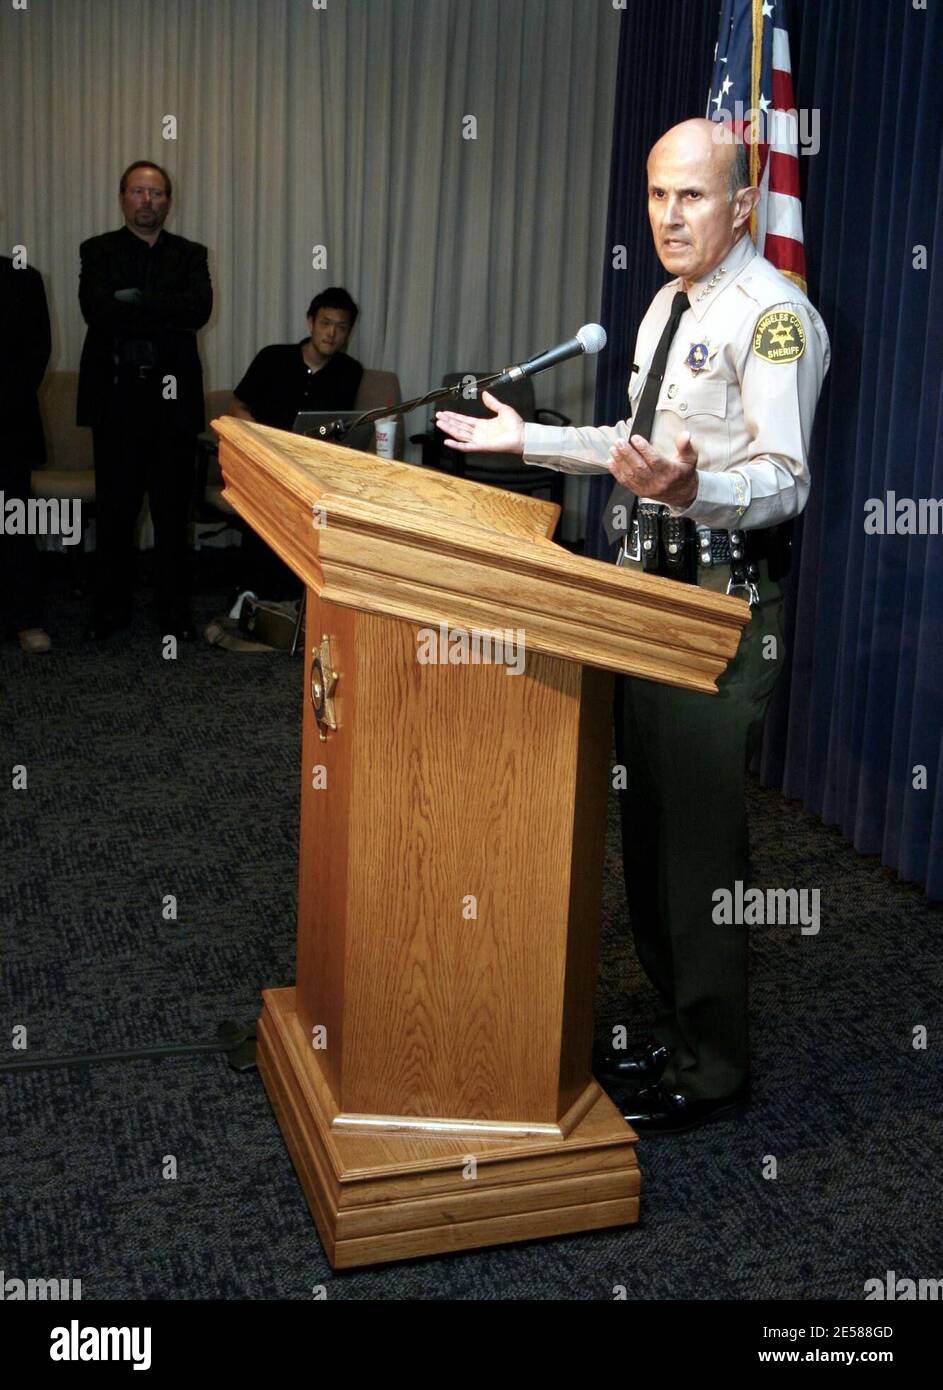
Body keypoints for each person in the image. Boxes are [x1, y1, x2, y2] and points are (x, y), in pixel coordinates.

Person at [437, 118, 830, 1134]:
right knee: (649, 832)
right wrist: (534, 439)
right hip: (638, 598)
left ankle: (713, 1069)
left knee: (699, 841)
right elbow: (633, 445)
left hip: (715, 605)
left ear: (742, 205)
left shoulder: (773, 316)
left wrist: (698, 491)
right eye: (657, 195)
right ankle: (678, 1025)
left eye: (692, 196)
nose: (669, 215)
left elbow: (784, 482)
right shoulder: (666, 304)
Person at [78, 160, 212, 641]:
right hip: (116, 401)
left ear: (169, 201)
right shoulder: (97, 250)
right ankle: (110, 613)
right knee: (116, 514)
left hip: (173, 407)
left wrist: (134, 300)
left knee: (173, 516)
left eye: (156, 193)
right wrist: (161, 308)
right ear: (122, 199)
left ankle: (173, 616)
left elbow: (197, 311)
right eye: (138, 192)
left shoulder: (192, 255)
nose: (147, 201)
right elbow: (97, 310)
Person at [229, 288, 363, 595]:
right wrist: (264, 443)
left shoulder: (349, 371)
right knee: (269, 500)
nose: (332, 333)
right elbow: (237, 407)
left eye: (341, 327)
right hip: (266, 460)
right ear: (310, 323)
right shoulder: (273, 357)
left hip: (313, 466)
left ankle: (301, 595)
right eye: (326, 323)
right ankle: (255, 593)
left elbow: (342, 426)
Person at [0, 254, 52, 653]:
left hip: (8, 425)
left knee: (14, 524)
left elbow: (37, 352)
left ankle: (25, 617)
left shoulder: (22, 278)